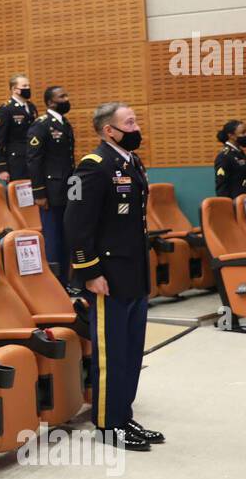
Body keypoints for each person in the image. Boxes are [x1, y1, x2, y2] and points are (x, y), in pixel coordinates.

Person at [63, 102, 163, 451]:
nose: (137, 127)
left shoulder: (130, 162)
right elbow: (76, 225)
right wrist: (89, 272)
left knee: (132, 350)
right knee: (111, 352)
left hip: (133, 272)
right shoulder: (93, 167)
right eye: (130, 122)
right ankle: (107, 425)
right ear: (110, 130)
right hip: (107, 275)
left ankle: (123, 414)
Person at [26, 86, 75, 282]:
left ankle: (66, 280)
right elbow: (33, 160)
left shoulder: (64, 123)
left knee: (66, 235)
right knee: (53, 238)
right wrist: (39, 193)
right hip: (50, 190)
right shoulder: (42, 124)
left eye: (67, 95)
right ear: (50, 102)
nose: (67, 99)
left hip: (66, 188)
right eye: (62, 96)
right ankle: (56, 283)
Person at [0, 73, 38, 182]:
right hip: (16, 161)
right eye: (25, 86)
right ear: (14, 89)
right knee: (18, 196)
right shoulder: (5, 109)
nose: (28, 88)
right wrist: (1, 168)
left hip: (32, 159)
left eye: (29, 86)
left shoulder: (31, 107)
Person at [214, 119, 246, 197]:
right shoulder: (224, 156)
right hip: (235, 202)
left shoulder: (238, 152)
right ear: (231, 136)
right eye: (243, 133)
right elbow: (222, 188)